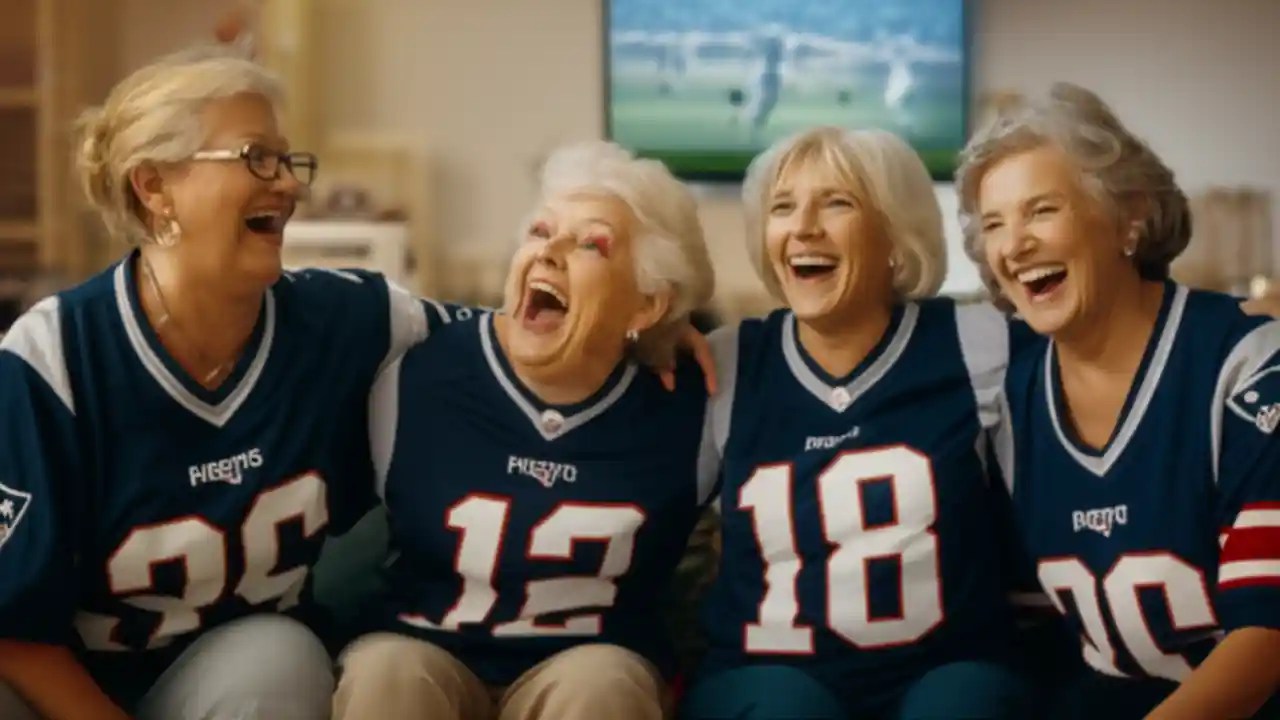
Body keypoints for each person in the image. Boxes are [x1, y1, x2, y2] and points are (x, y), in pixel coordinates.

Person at [0, 44, 441, 719]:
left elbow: (509, 343)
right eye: (256, 158)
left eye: (289, 162)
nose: (290, 185)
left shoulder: (349, 321)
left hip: (225, 681)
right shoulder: (52, 357)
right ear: (154, 187)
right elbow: (12, 627)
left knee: (279, 655)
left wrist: (649, 338)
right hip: (59, 688)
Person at [330, 141, 718, 720]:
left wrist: (676, 334)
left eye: (591, 244)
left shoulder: (695, 404)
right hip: (427, 654)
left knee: (602, 684)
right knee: (385, 673)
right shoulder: (412, 369)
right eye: (540, 231)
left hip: (584, 668)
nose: (551, 253)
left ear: (645, 305)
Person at [680, 126, 1032, 720]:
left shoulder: (980, 342)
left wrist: (1239, 322)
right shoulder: (725, 363)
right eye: (782, 208)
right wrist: (636, 339)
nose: (803, 227)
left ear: (896, 232)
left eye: (836, 202)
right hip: (764, 675)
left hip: (943, 669)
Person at [960, 82, 1280, 719]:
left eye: (1042, 210)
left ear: (1129, 215)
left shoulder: (1245, 364)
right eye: (994, 223)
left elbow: (1266, 640)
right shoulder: (1006, 394)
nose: (1013, 244)